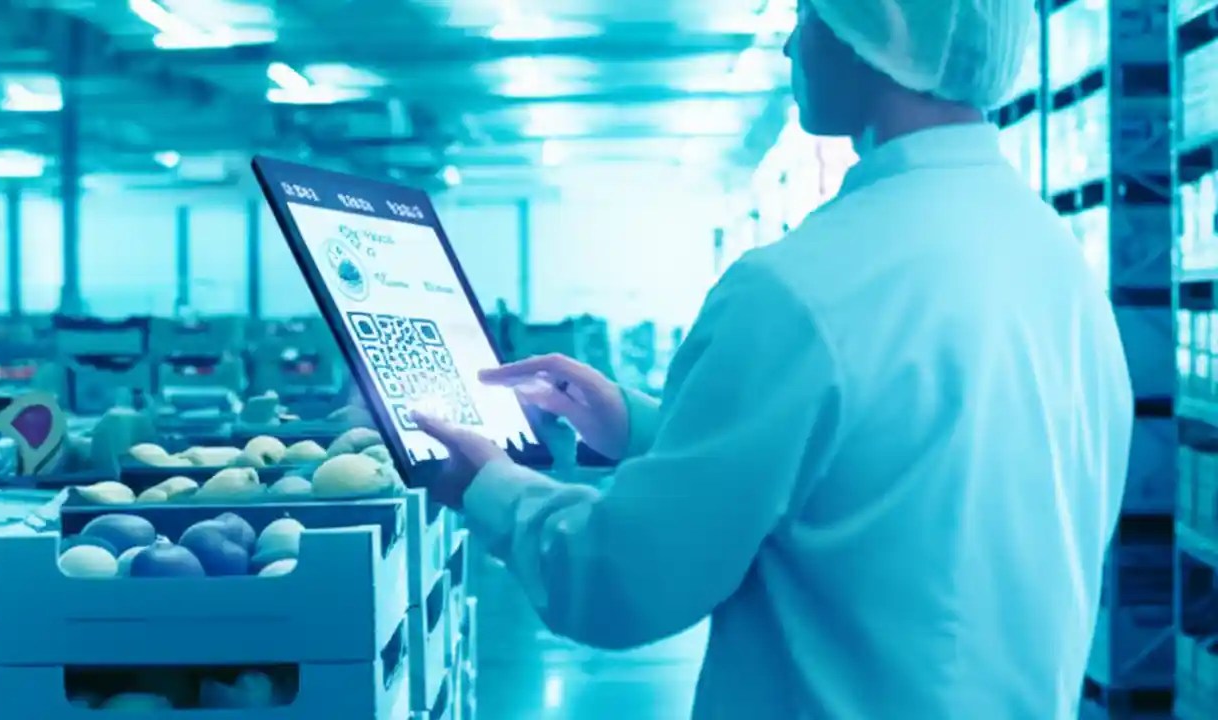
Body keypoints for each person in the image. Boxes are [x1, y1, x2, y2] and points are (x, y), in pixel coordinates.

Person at [414, 0, 1134, 716]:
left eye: (812, 16)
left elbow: (626, 581)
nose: (792, 44)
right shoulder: (1053, 258)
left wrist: (489, 486)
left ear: (875, 39)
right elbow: (881, 480)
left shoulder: (800, 286)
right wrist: (638, 428)